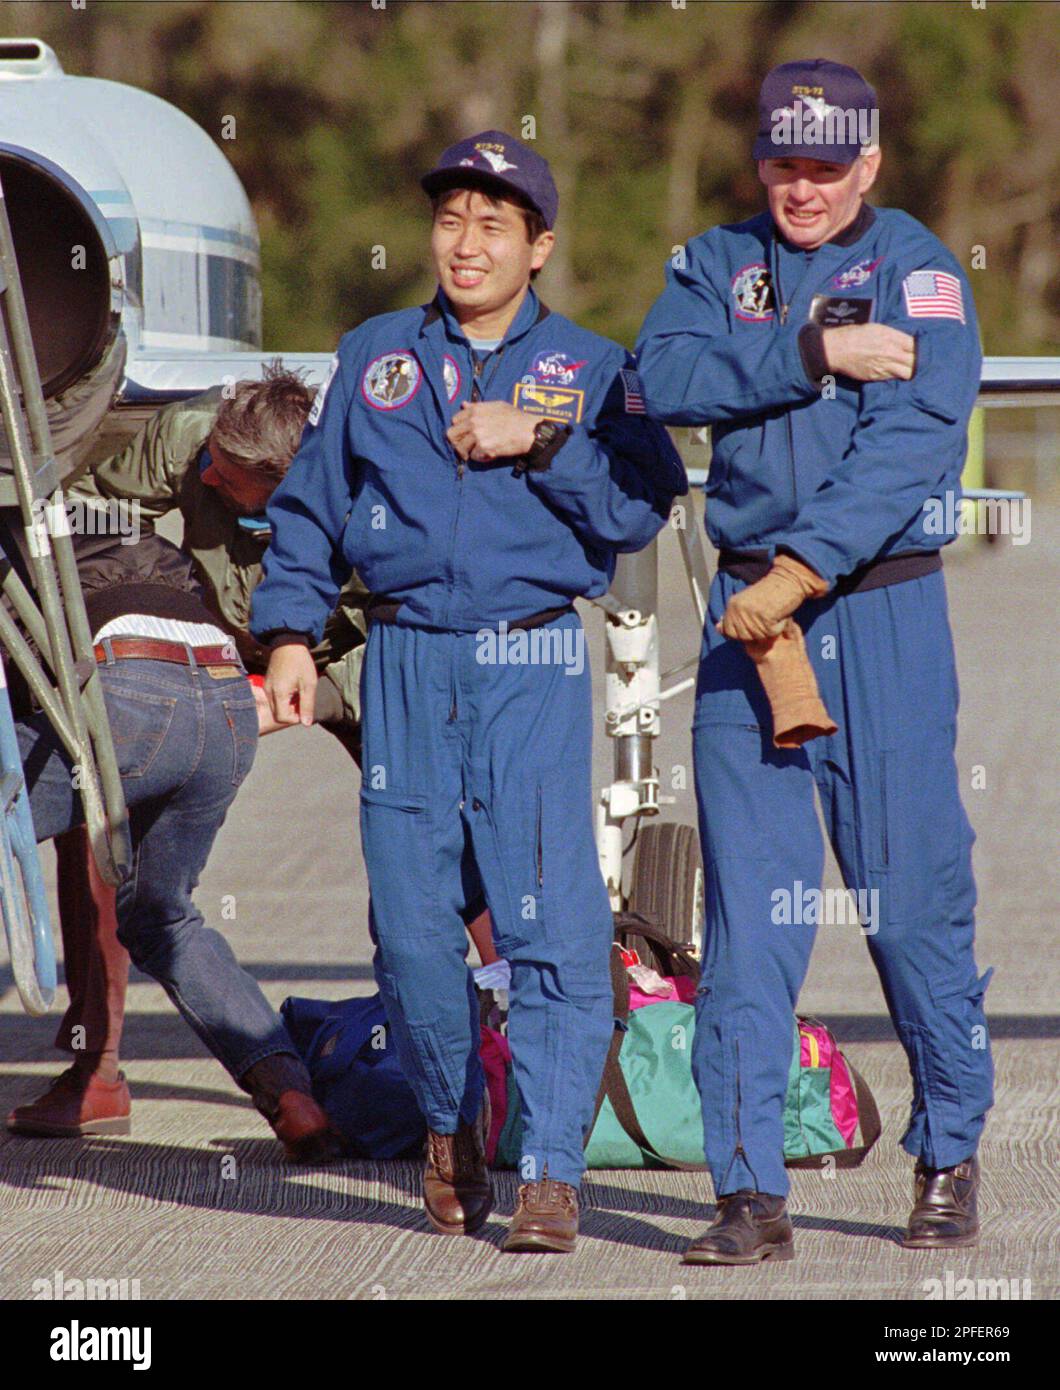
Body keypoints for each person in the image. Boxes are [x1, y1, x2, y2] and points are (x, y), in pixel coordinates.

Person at [251, 131, 686, 1251]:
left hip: (531, 661)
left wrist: (540, 439)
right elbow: (307, 506)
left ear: (538, 246)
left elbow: (640, 507)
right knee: (406, 932)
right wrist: (291, 634)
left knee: (547, 921)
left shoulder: (593, 368)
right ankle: (448, 1125)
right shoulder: (378, 354)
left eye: (494, 223)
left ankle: (545, 1170)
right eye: (450, 219)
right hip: (400, 660)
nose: (465, 241)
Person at [635, 59, 992, 1262]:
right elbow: (659, 379)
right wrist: (804, 354)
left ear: (869, 164)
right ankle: (749, 1190)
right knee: (747, 917)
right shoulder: (708, 264)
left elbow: (912, 446)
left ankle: (947, 1152)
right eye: (784, 162)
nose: (802, 185)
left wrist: (804, 568)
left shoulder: (921, 273)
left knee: (908, 901)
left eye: (827, 165)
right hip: (748, 627)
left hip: (875, 620)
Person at [7, 367, 366, 1138]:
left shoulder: (363, 499)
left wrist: (307, 696)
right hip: (222, 698)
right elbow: (107, 508)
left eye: (226, 479)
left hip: (217, 680)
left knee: (439, 826)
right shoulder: (190, 440)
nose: (204, 476)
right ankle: (288, 1094)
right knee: (163, 916)